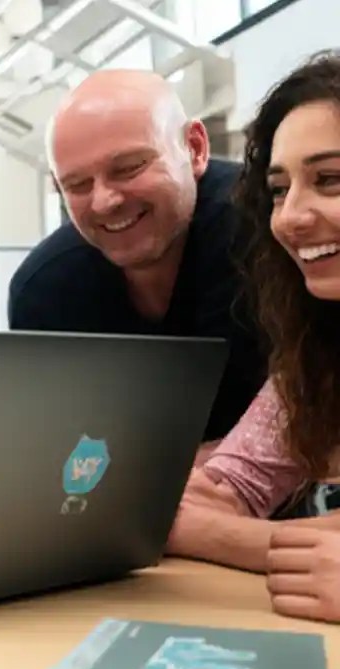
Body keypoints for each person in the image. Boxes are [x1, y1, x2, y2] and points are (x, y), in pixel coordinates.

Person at [166, 52, 340, 624]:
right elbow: (206, 497)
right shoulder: (318, 352)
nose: (288, 218)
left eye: (330, 180)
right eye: (279, 188)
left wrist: (227, 536)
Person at [8, 69, 266, 451]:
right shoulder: (46, 285)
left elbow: (302, 428)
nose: (104, 201)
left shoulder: (270, 232)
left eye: (129, 168)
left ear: (194, 148)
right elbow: (54, 447)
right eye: (77, 185)